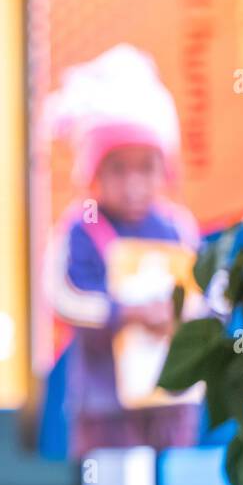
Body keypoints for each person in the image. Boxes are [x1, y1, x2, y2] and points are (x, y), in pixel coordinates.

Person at [43, 44, 207, 459]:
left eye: (146, 168)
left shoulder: (179, 227)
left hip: (174, 400)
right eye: (118, 168)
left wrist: (177, 314)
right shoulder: (80, 227)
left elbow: (207, 296)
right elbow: (64, 298)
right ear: (95, 171)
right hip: (105, 410)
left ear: (164, 170)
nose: (133, 183)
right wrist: (126, 313)